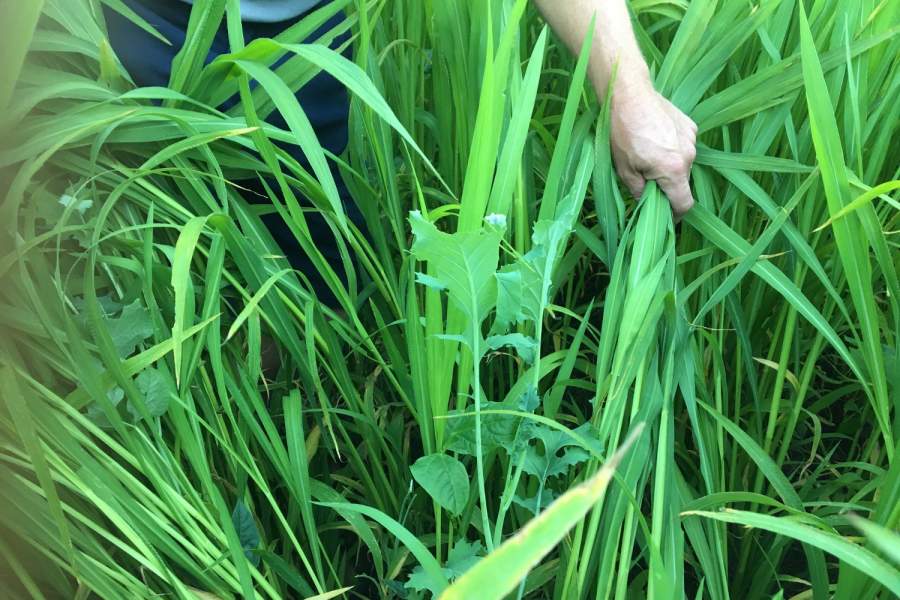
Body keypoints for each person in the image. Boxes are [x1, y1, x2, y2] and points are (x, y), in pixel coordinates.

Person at [105, 0, 696, 288]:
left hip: (309, 32)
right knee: (143, 262)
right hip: (125, 24)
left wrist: (628, 94)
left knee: (318, 269)